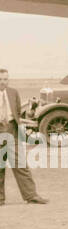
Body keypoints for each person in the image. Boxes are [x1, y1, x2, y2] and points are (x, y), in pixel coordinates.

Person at [0, 68, 47, 206]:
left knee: (21, 164)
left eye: (5, 79)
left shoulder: (13, 93)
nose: (3, 82)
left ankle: (31, 195)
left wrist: (30, 113)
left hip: (12, 131)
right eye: (0, 79)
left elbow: (18, 112)